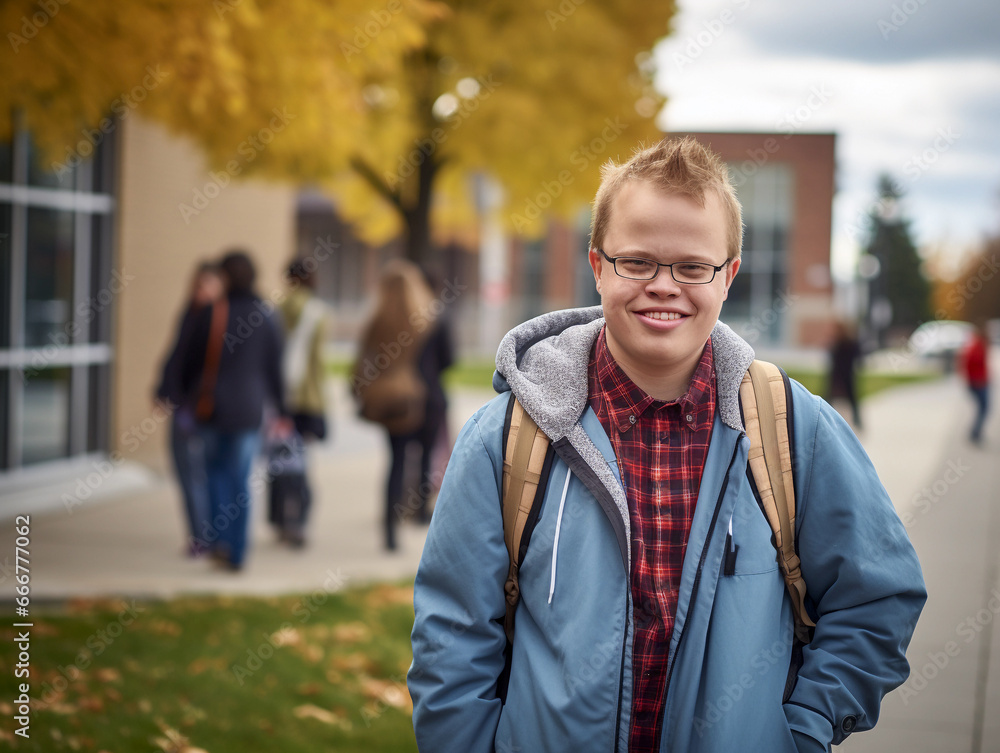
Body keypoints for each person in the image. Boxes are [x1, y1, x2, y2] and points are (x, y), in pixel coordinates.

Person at [408, 138, 926, 753]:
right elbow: (452, 638)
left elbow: (877, 599)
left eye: (691, 267)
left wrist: (805, 729)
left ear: (728, 277)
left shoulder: (793, 432)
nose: (664, 286)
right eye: (638, 262)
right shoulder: (507, 439)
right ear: (599, 266)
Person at [180, 250, 288, 571]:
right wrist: (282, 411)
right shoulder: (267, 316)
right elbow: (275, 369)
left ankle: (220, 543)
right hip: (249, 411)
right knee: (240, 481)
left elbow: (189, 359)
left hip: (212, 408)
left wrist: (185, 397)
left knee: (214, 474)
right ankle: (238, 551)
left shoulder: (213, 313)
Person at [352, 259, 452, 550]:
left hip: (395, 401)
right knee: (423, 459)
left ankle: (389, 529)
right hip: (429, 399)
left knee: (395, 462)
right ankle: (419, 515)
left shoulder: (378, 321)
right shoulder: (432, 319)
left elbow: (364, 361)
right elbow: (449, 360)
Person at [155, 262, 224, 556]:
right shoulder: (190, 316)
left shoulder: (221, 322)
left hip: (204, 412)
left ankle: (207, 536)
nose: (201, 292)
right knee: (187, 473)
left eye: (207, 285)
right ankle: (201, 535)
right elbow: (176, 357)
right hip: (185, 409)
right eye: (197, 285)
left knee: (202, 473)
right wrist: (164, 390)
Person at [271, 259, 331, 547]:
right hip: (308, 399)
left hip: (280, 397)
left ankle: (280, 518)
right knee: (301, 461)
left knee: (280, 459)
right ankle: (299, 519)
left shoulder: (276, 311)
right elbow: (318, 364)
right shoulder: (317, 312)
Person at [825, 320, 863, 430]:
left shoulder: (845, 343)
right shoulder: (844, 343)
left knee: (848, 398)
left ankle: (826, 418)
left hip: (842, 374)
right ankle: (857, 420)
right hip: (843, 374)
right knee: (831, 397)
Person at [960, 322, 990, 444]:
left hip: (980, 381)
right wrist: (972, 380)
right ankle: (975, 432)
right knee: (984, 408)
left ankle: (975, 432)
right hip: (978, 382)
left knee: (983, 408)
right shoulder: (976, 346)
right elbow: (967, 363)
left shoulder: (980, 344)